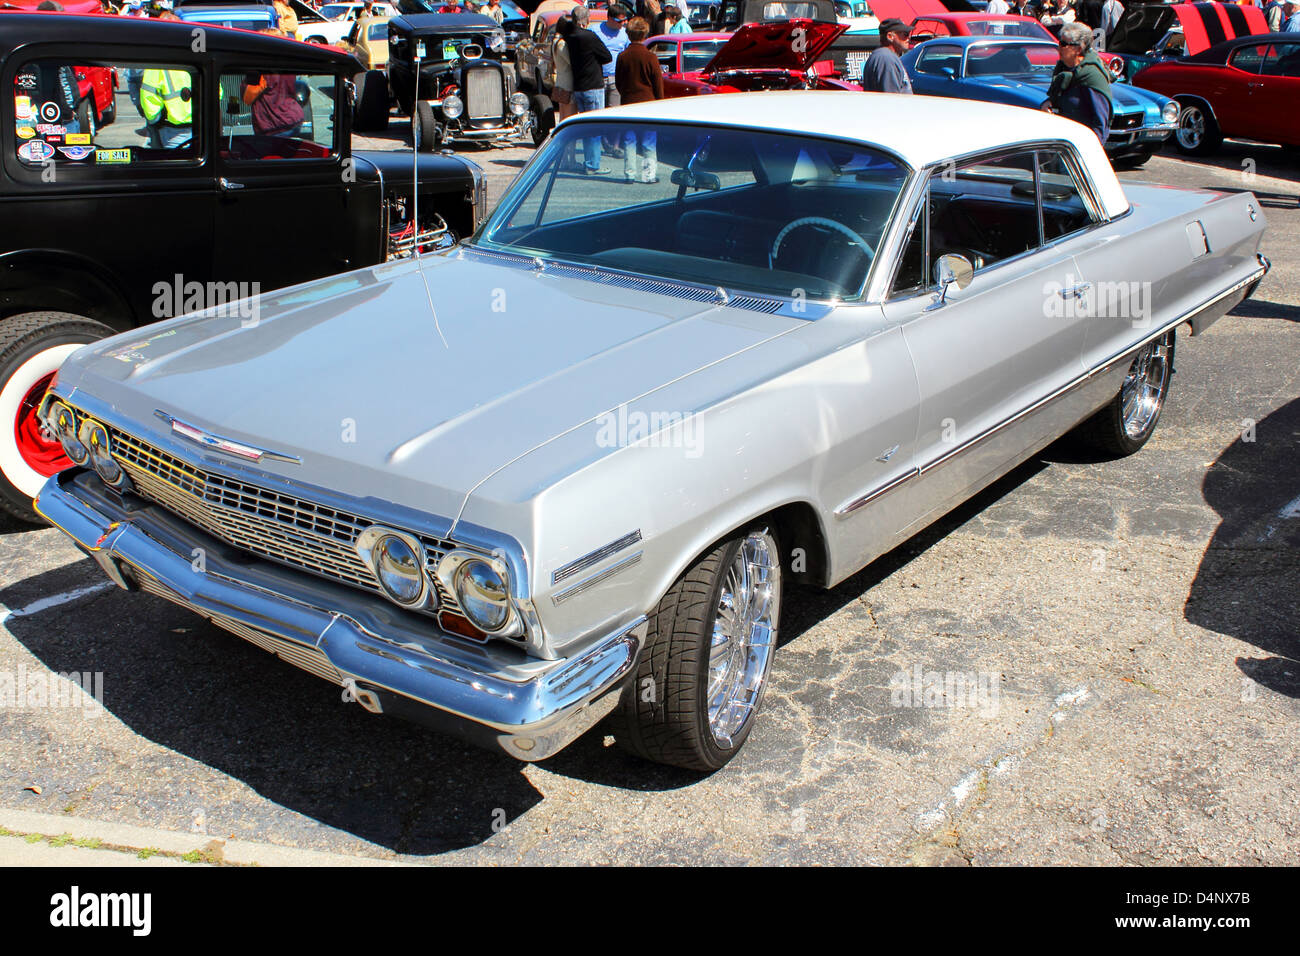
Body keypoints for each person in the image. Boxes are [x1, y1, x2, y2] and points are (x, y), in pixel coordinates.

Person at [1047, 21, 1112, 145]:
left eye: (1064, 44)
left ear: (1078, 49)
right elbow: (1055, 97)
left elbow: (1100, 124)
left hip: (1080, 147)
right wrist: (1047, 103)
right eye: (1060, 42)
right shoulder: (1062, 68)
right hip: (1061, 143)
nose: (1059, 47)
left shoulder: (1092, 76)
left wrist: (1090, 149)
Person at [615, 16, 663, 182]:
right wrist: (660, 102)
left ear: (628, 34)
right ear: (645, 34)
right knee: (649, 141)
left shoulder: (622, 57)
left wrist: (626, 94)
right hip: (648, 103)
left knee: (629, 140)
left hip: (628, 102)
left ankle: (629, 174)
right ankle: (648, 175)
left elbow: (618, 83)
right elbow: (658, 85)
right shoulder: (651, 58)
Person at [566, 4, 613, 172]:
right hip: (593, 85)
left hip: (578, 86)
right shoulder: (590, 36)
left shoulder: (569, 36)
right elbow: (607, 56)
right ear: (586, 20)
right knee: (595, 128)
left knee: (586, 128)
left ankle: (589, 161)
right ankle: (593, 164)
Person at [140, 67, 193, 148]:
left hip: (173, 131)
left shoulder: (157, 63)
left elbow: (149, 96)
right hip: (204, 126)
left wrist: (155, 120)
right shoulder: (202, 55)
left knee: (175, 159)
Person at [242, 73, 305, 137]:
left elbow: (247, 97)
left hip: (274, 125)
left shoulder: (260, 72)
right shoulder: (288, 64)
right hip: (294, 120)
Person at [861, 18, 912, 93]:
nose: (908, 38)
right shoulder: (886, 59)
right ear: (890, 36)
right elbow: (891, 97)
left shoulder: (885, 56)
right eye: (905, 34)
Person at [552, 14, 576, 121]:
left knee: (563, 116)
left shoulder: (555, 41)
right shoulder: (562, 44)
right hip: (567, 85)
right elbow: (572, 62)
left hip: (561, 83)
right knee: (569, 117)